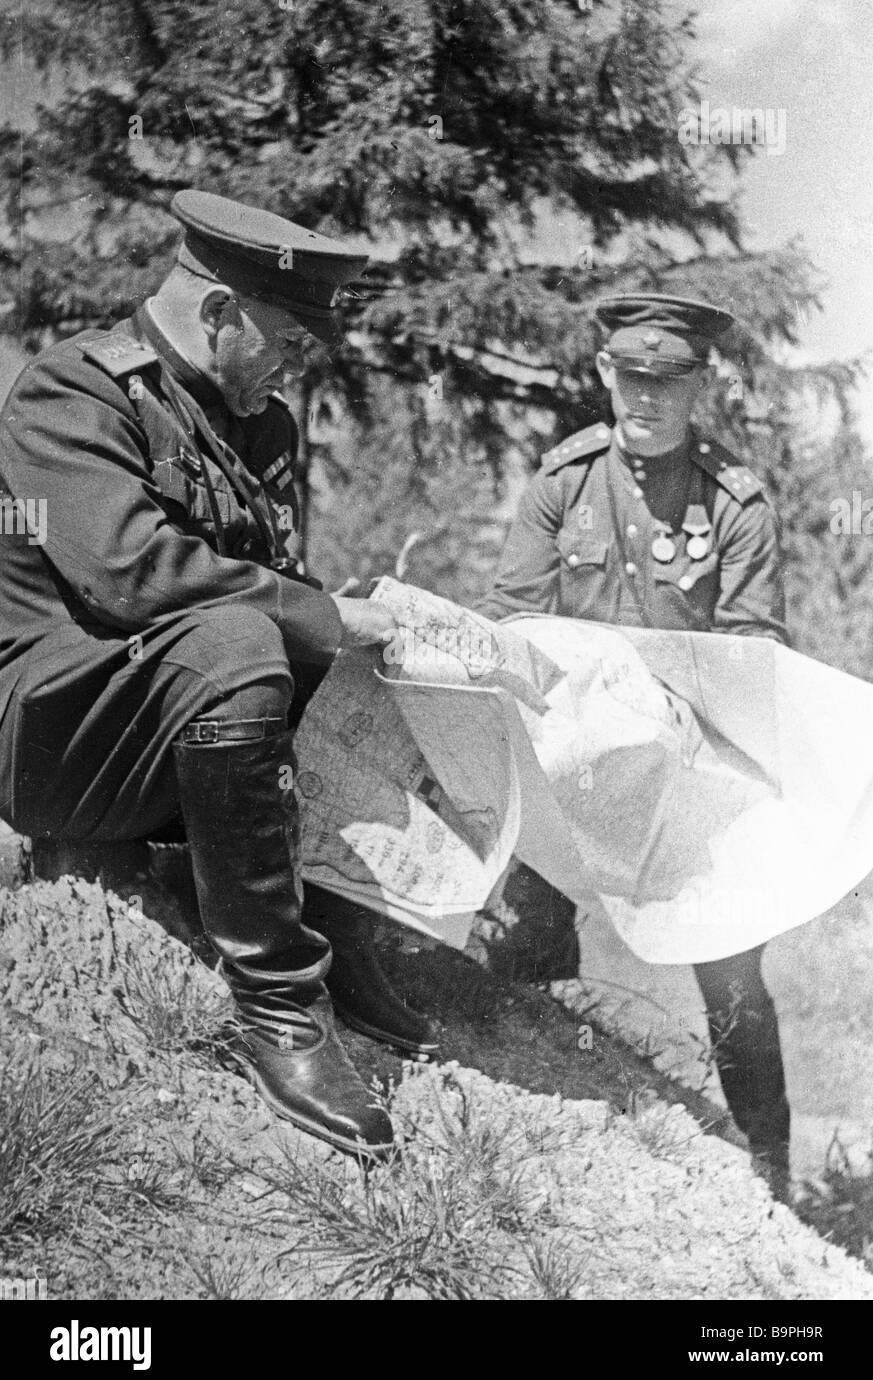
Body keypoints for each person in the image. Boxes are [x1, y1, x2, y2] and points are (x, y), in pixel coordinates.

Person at [0, 188, 438, 1161]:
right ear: (217, 314)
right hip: (59, 732)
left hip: (184, 716)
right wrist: (319, 617)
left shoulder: (262, 427)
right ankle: (279, 1009)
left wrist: (359, 623)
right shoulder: (74, 390)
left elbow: (281, 582)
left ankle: (336, 928)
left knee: (364, 651)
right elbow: (131, 573)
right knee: (249, 639)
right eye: (282, 340)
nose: (290, 367)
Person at [476, 293, 791, 1177]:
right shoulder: (562, 482)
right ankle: (526, 1146)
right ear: (605, 374)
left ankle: (772, 1175)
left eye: (667, 380)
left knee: (730, 975)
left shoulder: (735, 501)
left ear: (699, 386)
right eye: (629, 377)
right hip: (569, 761)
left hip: (689, 771)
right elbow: (511, 611)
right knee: (517, 943)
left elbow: (754, 643)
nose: (644, 398)